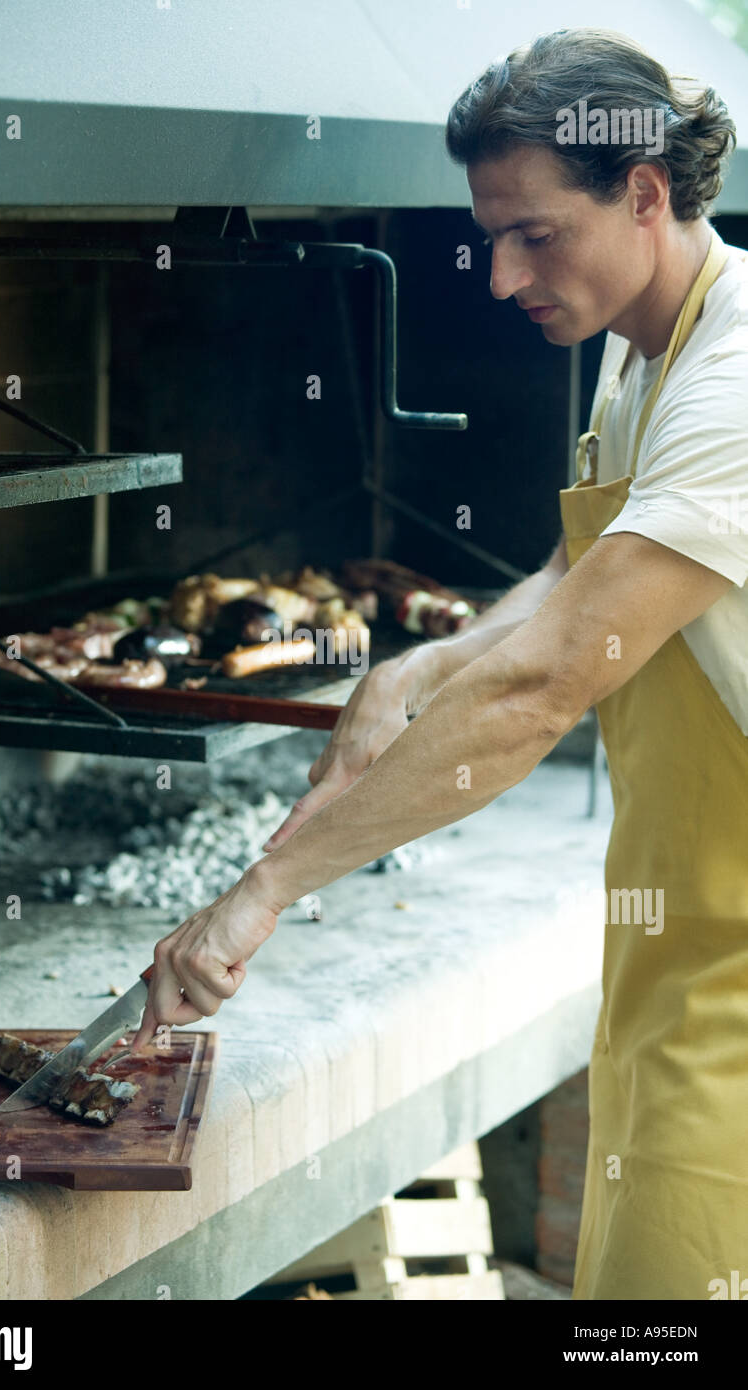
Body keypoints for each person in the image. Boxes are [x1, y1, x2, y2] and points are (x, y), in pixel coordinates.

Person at [131, 28, 748, 1300]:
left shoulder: (731, 384)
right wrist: (426, 662)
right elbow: (574, 578)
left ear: (641, 193)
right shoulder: (647, 350)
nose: (498, 275)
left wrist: (263, 892)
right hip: (677, 931)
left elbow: (550, 683)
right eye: (488, 238)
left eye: (534, 234)